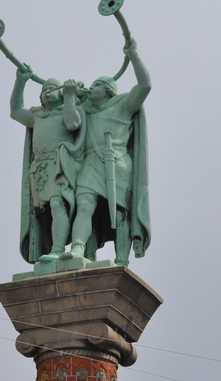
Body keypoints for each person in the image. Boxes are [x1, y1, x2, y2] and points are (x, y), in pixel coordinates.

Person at [69, 39, 151, 268]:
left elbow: (145, 86)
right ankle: (77, 246)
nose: (90, 88)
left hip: (117, 162)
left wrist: (133, 54)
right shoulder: (84, 111)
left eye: (95, 85)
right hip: (91, 163)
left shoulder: (122, 104)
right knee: (84, 204)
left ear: (107, 90)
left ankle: (121, 259)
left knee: (120, 212)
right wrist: (69, 94)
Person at [11, 68, 83, 263]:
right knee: (43, 214)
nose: (47, 92)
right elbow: (16, 111)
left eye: (52, 88)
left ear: (60, 93)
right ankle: (47, 249)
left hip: (59, 163)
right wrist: (20, 82)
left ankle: (58, 249)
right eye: (44, 90)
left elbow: (73, 124)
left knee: (58, 203)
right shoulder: (37, 115)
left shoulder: (67, 110)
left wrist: (69, 97)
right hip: (39, 168)